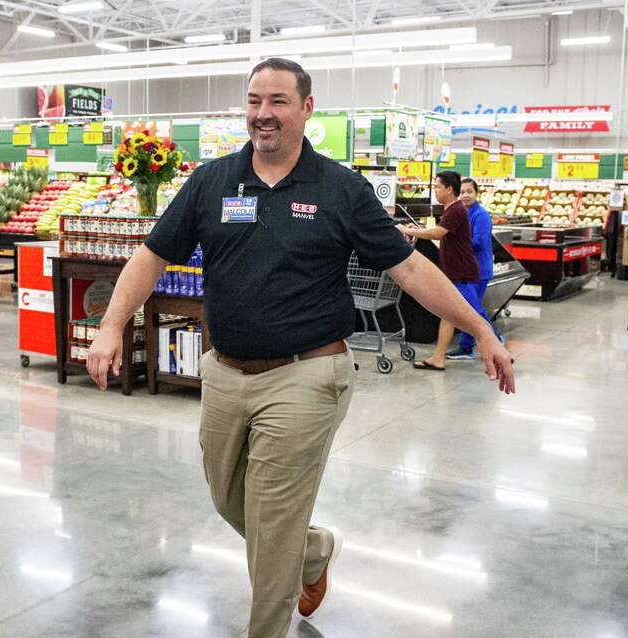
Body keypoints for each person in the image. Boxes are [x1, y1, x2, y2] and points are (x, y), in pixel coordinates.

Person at [86, 58, 515, 638]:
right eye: (255, 100)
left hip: (308, 373)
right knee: (226, 497)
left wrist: (482, 329)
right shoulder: (212, 181)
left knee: (274, 518)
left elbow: (411, 269)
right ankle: (314, 552)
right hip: (225, 369)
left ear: (307, 108)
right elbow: (152, 254)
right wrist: (113, 324)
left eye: (278, 101)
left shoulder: (341, 189)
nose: (263, 114)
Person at [397, 171, 483, 371]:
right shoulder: (451, 210)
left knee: (474, 315)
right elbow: (443, 232)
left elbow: (438, 233)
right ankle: (439, 357)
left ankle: (496, 350)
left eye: (437, 187)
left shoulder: (455, 210)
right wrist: (417, 227)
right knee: (450, 314)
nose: (435, 190)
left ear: (449, 189)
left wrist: (409, 231)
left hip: (461, 272)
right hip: (455, 271)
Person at [446, 178, 503, 360]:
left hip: (478, 270)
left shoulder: (481, 215)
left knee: (473, 308)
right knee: (470, 308)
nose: (465, 195)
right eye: (462, 192)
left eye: (469, 191)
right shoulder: (462, 212)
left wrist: (454, 241)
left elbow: (478, 242)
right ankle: (466, 346)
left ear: (476, 193)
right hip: (466, 269)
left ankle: (495, 337)